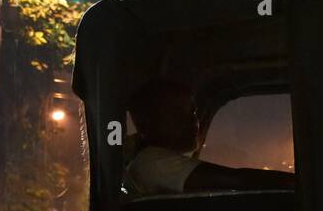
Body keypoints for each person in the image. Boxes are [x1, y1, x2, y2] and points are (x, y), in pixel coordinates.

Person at [124, 76, 295, 196]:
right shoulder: (152, 162)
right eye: (176, 115)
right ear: (147, 124)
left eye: (193, 112)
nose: (193, 121)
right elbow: (238, 180)